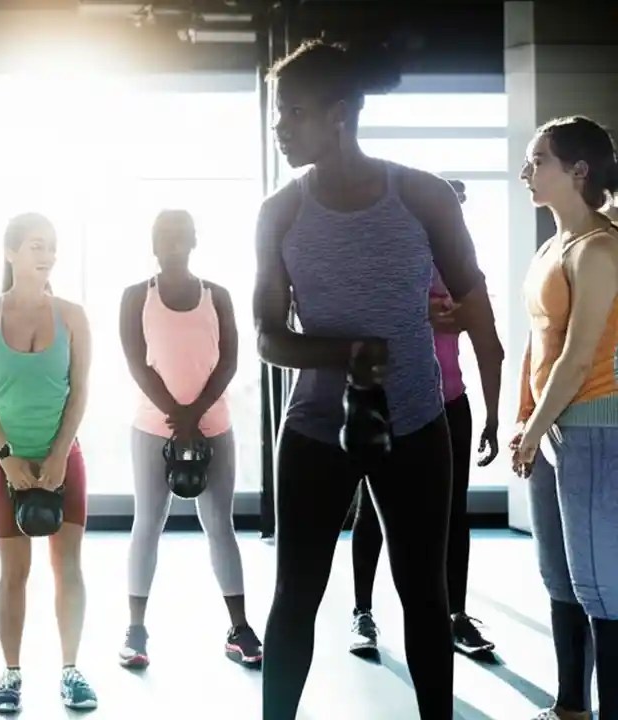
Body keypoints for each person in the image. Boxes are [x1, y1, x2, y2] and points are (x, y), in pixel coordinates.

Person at [252, 39, 503, 720]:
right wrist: (348, 350)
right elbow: (269, 337)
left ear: (339, 115)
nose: (280, 128)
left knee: (425, 594)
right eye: (279, 115)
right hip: (312, 431)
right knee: (295, 597)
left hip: (418, 423)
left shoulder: (421, 195)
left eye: (293, 114)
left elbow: (475, 304)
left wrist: (494, 403)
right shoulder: (279, 212)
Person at [347, 179, 502, 658]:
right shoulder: (393, 264)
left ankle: (456, 616)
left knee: (454, 513)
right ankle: (363, 614)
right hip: (389, 404)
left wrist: (494, 416)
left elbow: (489, 346)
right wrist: (421, 314)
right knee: (373, 511)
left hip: (450, 402)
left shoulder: (465, 277)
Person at [0, 212, 96, 714]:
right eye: (36, 245)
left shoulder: (73, 316)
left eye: (51, 246)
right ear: (11, 252)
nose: (47, 254)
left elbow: (80, 392)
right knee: (13, 572)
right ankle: (11, 674)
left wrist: (60, 452)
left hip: (64, 457)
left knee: (68, 569)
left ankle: (71, 671)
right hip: (5, 462)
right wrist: (6, 456)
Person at [117, 209, 262, 670]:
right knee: (148, 524)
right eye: (164, 234)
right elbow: (137, 363)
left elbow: (231, 359)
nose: (173, 241)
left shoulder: (216, 296)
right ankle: (135, 631)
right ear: (153, 243)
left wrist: (194, 416)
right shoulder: (135, 296)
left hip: (213, 427)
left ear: (194, 240)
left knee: (220, 524)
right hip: (153, 429)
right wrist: (177, 417)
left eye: (181, 234)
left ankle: (239, 629)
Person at [510, 115, 618, 720]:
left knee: (602, 585)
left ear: (578, 170)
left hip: (597, 426)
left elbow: (579, 358)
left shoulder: (601, 248)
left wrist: (534, 426)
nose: (527, 171)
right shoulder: (552, 247)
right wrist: (525, 417)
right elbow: (539, 339)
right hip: (553, 427)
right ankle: (570, 706)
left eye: (538, 160)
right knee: (559, 577)